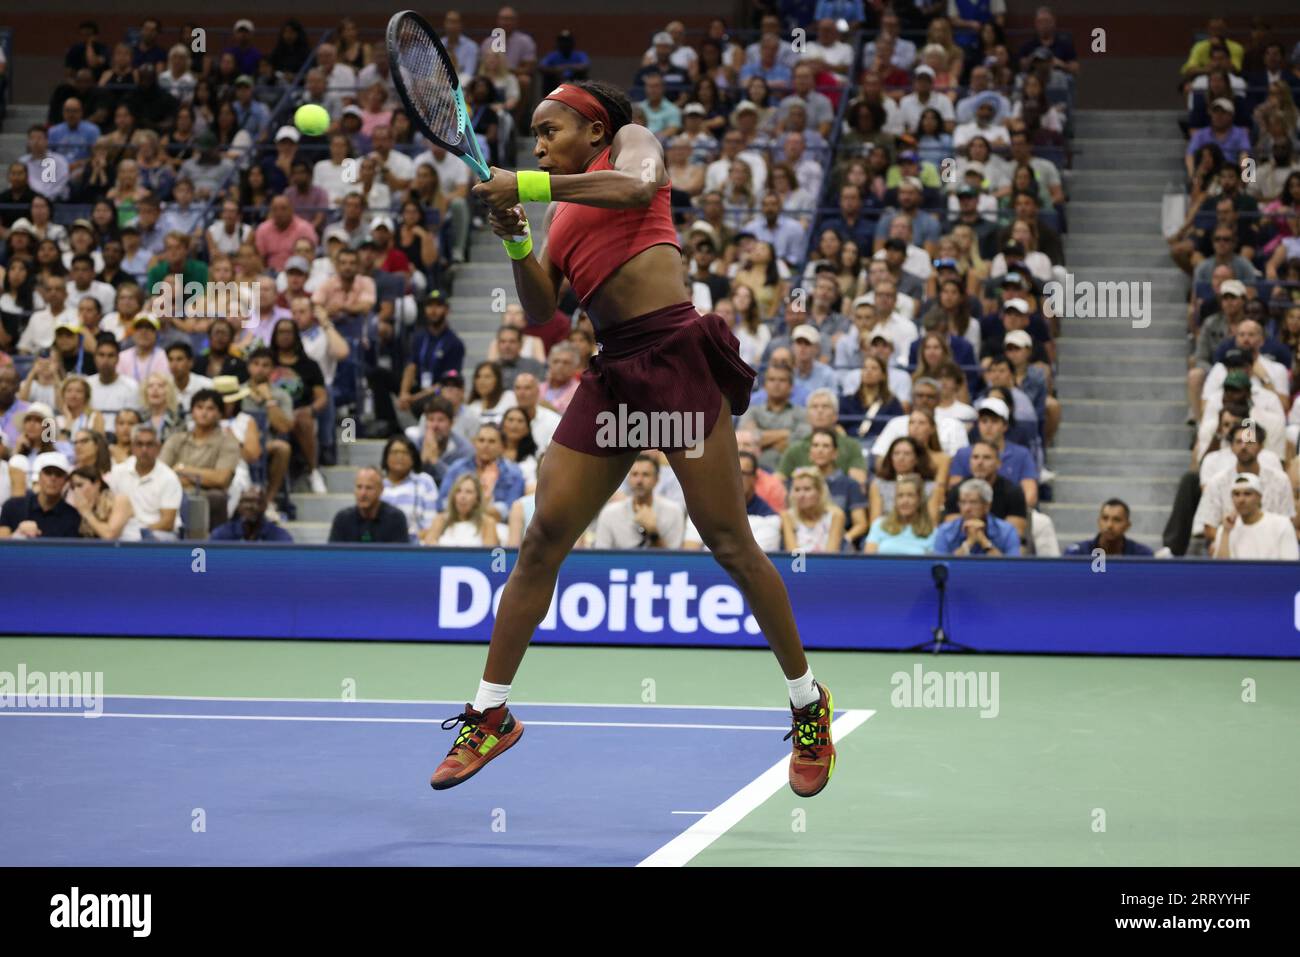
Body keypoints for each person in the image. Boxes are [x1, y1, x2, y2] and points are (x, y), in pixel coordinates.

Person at [429, 78, 835, 796]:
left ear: (594, 130)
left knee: (731, 543)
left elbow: (632, 189)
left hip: (674, 355)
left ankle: (808, 703)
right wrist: (519, 233)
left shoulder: (634, 144)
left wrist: (523, 180)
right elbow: (542, 310)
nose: (541, 142)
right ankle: (490, 713)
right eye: (533, 134)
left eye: (551, 128)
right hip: (614, 370)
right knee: (543, 535)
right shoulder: (558, 211)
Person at [107, 423, 182, 540]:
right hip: (124, 530)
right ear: (132, 447)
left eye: (149, 444)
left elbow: (168, 523)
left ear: (158, 448)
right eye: (139, 444)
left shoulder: (169, 477)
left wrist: (140, 532)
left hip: (158, 532)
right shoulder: (118, 472)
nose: (144, 449)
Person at [1213, 472, 1300, 560]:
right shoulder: (1225, 529)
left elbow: (1290, 567)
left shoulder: (1282, 525)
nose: (1241, 499)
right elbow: (1221, 570)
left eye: (1247, 494)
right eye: (1236, 494)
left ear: (1259, 497)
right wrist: (1226, 532)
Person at [0, 452, 82, 539]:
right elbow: (2, 544)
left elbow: (71, 550)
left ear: (66, 480)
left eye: (59, 474)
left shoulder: (72, 516)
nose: (53, 478)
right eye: (48, 473)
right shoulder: (12, 507)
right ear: (39, 476)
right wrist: (17, 535)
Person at [933, 478, 1021, 556]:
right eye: (963, 502)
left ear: (987, 506)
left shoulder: (1007, 531)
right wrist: (969, 543)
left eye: (973, 502)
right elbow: (942, 568)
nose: (967, 508)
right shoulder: (945, 531)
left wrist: (984, 541)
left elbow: (1011, 569)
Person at [380, 435, 439, 543]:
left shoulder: (424, 482)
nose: (399, 457)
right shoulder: (378, 484)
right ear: (386, 457)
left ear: (413, 458)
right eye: (395, 452)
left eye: (405, 453)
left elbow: (431, 524)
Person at [328, 466, 411, 544]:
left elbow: (401, 556)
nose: (363, 493)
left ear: (381, 490)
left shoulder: (396, 518)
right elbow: (332, 555)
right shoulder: (342, 519)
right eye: (359, 487)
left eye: (369, 488)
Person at [422, 473, 500, 547]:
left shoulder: (487, 523)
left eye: (468, 492)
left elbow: (489, 556)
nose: (462, 496)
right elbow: (429, 551)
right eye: (458, 491)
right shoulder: (440, 520)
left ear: (477, 499)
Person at [865, 474, 936, 556]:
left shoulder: (932, 532)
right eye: (900, 496)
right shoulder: (879, 525)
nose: (905, 501)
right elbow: (869, 561)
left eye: (910, 495)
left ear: (919, 499)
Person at [781, 466, 845, 553]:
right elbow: (794, 556)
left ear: (820, 492)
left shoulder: (836, 515)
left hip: (826, 565)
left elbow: (831, 556)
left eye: (807, 489)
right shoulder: (787, 516)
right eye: (797, 490)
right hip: (799, 565)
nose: (801, 495)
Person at [1063, 499, 1154, 557]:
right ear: (1098, 521)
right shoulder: (1077, 554)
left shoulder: (1142, 555)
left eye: (1117, 520)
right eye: (1105, 518)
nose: (1109, 525)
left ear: (1127, 525)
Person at [67, 465, 134, 539]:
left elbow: (110, 535)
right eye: (72, 487)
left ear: (97, 484)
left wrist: (86, 513)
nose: (76, 491)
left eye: (80, 485)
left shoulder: (120, 500)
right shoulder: (81, 508)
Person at [209, 484, 293, 542]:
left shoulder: (279, 537)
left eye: (255, 501)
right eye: (245, 501)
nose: (249, 506)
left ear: (264, 506)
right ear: (238, 506)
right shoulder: (222, 534)